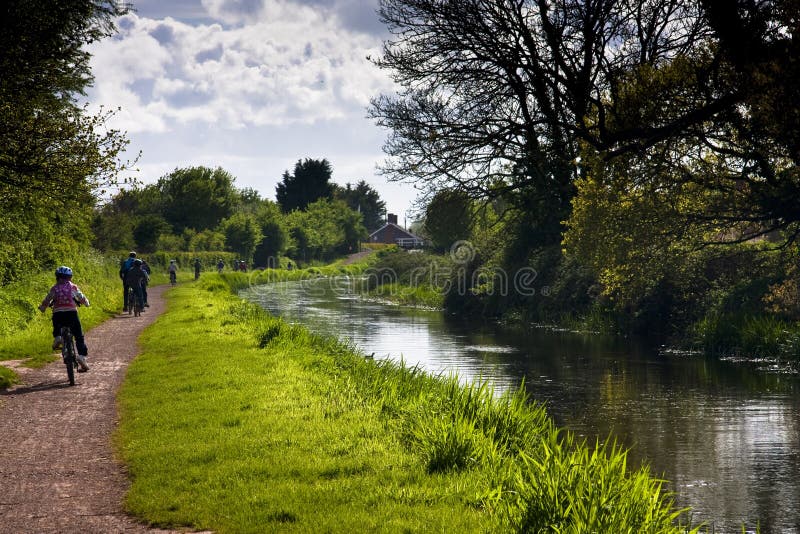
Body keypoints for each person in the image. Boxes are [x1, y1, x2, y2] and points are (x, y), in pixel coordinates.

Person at [38, 266, 91, 372]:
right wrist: (86, 303)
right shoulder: (73, 287)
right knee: (79, 336)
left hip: (58, 313)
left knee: (56, 323)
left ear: (57, 277)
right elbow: (81, 297)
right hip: (71, 313)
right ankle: (81, 356)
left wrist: (42, 308)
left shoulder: (54, 288)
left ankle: (58, 337)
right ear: (70, 277)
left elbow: (47, 299)